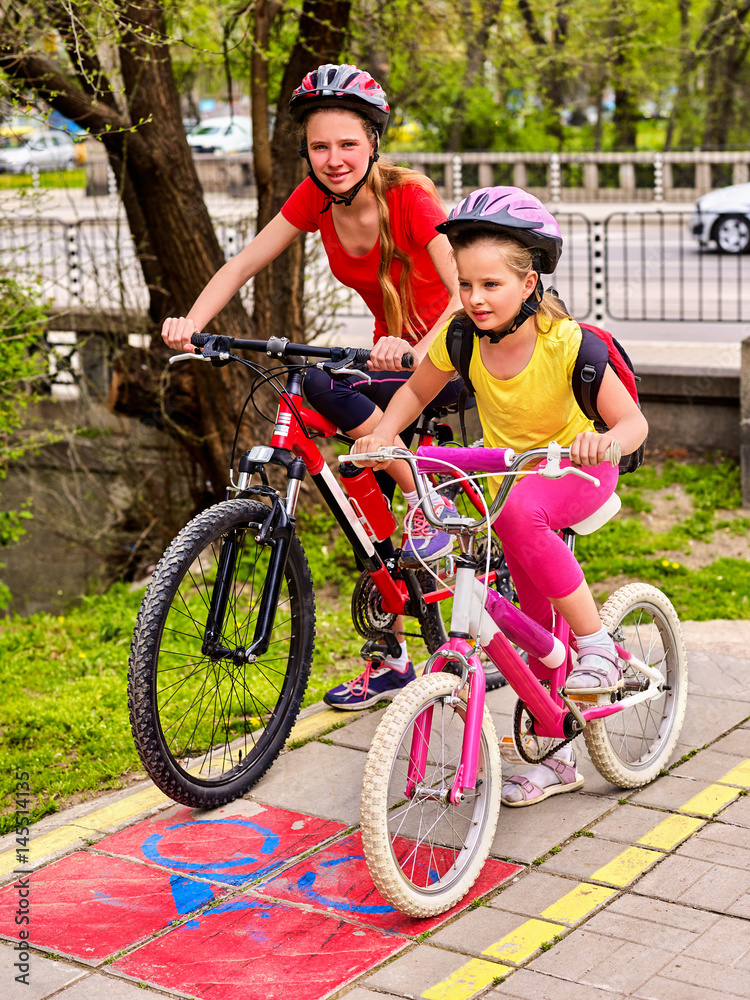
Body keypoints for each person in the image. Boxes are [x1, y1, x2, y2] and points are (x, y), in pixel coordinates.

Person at [162, 63, 482, 710]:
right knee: (353, 476)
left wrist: (414, 348)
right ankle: (392, 652)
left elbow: (463, 296)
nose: (332, 160)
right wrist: (192, 325)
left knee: (319, 386)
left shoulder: (411, 198)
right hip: (388, 356)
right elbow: (245, 262)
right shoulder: (315, 197)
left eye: (346, 145)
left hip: (449, 353)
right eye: (319, 146)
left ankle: (429, 504)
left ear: (373, 144)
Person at [351, 185, 649, 806]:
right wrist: (381, 435)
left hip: (578, 470)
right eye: (465, 285)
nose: (474, 299)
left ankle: (597, 645)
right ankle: (557, 749)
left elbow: (633, 425)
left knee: (522, 520)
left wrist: (605, 442)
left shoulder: (572, 347)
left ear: (530, 282)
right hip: (511, 480)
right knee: (535, 626)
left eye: (490, 285)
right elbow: (413, 393)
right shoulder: (461, 337)